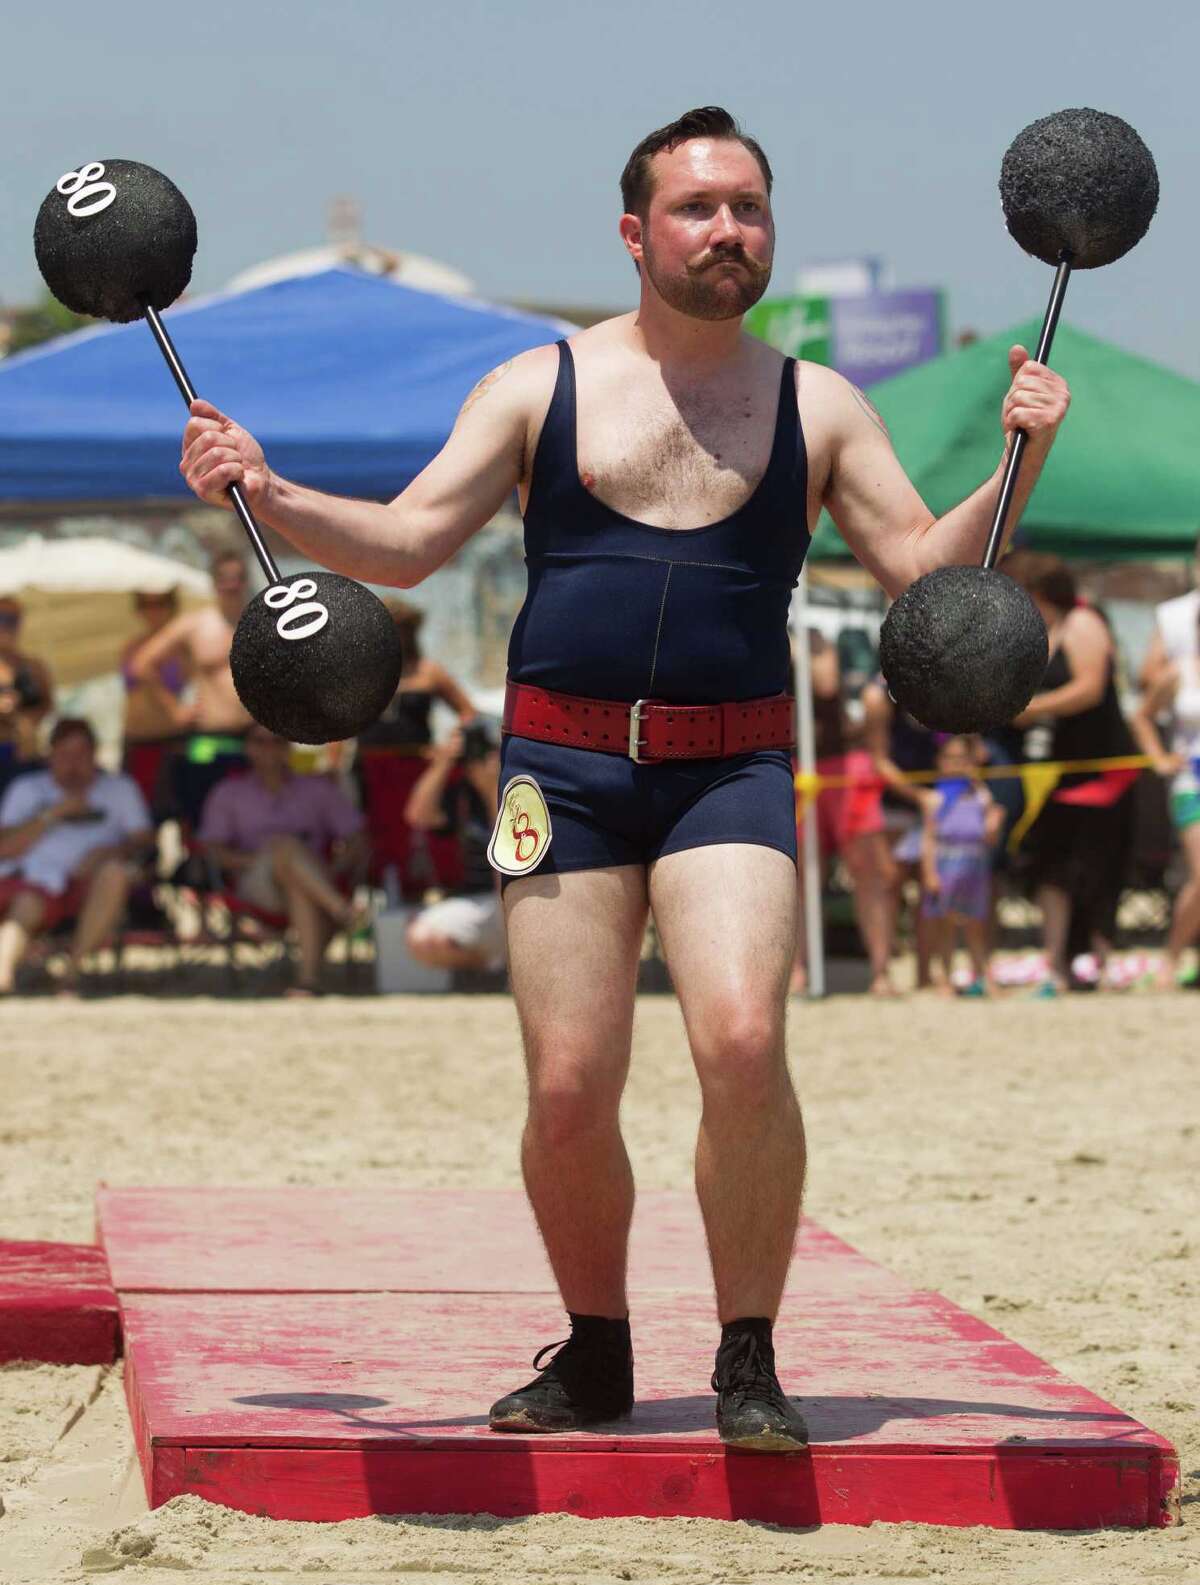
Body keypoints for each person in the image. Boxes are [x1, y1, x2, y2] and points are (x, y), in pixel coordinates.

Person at [179, 106, 1069, 1447]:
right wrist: (269, 486)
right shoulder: (542, 384)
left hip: (733, 771)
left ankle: (749, 1358)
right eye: (701, 207)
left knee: (746, 1039)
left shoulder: (815, 402)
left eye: (750, 207)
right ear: (635, 232)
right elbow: (414, 539)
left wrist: (1023, 451)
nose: (729, 230)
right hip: (562, 771)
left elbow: (925, 582)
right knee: (568, 1084)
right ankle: (595, 1352)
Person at [1008, 555, 1138, 995]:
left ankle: (1102, 960)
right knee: (1050, 866)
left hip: (1101, 768)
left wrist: (1032, 710)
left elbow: (1090, 688)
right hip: (1060, 770)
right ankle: (1055, 961)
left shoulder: (1084, 622)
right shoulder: (1045, 631)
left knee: (1099, 865)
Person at [196, 723, 369, 997]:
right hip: (254, 880)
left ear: (288, 748)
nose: (268, 749)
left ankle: (307, 982)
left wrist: (332, 868)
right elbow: (213, 851)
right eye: (259, 742)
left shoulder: (317, 789)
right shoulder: (228, 793)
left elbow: (357, 840)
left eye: (276, 742)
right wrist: (259, 860)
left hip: (312, 879)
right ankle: (342, 911)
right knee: (284, 848)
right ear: (248, 748)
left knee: (295, 880)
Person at [0, 717, 154, 995]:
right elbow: (5, 847)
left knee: (115, 873)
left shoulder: (119, 789)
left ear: (94, 755)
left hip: (87, 886)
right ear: (50, 756)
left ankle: (72, 973)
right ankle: (3, 973)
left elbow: (144, 844)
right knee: (28, 903)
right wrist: (52, 814)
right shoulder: (28, 789)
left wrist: (109, 852)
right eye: (65, 754)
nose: (73, 763)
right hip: (30, 883)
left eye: (81, 754)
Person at [792, 631, 895, 995]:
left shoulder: (812, 638)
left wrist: (797, 643)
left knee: (869, 872)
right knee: (796, 877)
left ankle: (881, 971)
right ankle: (797, 971)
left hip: (843, 767)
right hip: (795, 765)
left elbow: (825, 684)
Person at [127, 549, 253, 828]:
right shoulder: (195, 625)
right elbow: (142, 664)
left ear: (246, 581)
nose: (232, 585)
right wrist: (175, 710)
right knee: (203, 818)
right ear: (214, 583)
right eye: (225, 578)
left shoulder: (262, 621)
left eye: (238, 578)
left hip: (255, 739)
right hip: (207, 740)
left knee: (252, 821)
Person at [1130, 575, 1200, 987]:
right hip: (1191, 779)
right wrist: (1158, 757)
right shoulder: (1178, 671)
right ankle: (1171, 958)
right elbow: (1141, 715)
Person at [404, 719, 505, 974]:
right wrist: (444, 761)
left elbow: (509, 854)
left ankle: (511, 967)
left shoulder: (526, 786)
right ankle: (492, 968)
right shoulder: (461, 796)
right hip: (480, 903)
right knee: (421, 938)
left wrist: (494, 791)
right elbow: (417, 815)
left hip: (522, 900)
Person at [861, 675, 939, 989]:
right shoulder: (878, 695)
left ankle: (924, 973)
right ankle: (881, 973)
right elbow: (878, 759)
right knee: (888, 884)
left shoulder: (940, 684)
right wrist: (918, 795)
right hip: (893, 801)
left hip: (933, 800)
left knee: (930, 887)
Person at [919, 735, 1005, 996]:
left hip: (974, 865)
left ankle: (982, 975)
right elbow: (929, 838)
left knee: (976, 926)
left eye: (962, 759)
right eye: (950, 759)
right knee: (945, 926)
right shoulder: (934, 798)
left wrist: (994, 823)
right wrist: (930, 872)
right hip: (946, 865)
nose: (956, 765)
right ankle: (944, 977)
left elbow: (990, 833)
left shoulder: (981, 794)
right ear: (939, 762)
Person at [357, 598, 477, 751]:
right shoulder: (362, 671)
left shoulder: (429, 671)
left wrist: (452, 742)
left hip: (416, 762)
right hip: (368, 765)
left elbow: (468, 711)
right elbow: (338, 717)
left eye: (401, 627)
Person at [120, 588, 189, 810]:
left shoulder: (184, 647)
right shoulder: (131, 646)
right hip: (137, 740)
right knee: (140, 813)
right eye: (146, 605)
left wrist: (173, 709)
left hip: (174, 740)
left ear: (172, 606)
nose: (153, 611)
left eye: (159, 604)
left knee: (184, 813)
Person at [0, 597, 54, 801]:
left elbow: (48, 705)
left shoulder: (34, 666)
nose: (5, 626)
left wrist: (21, 716)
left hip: (27, 752)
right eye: (0, 618)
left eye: (11, 620)